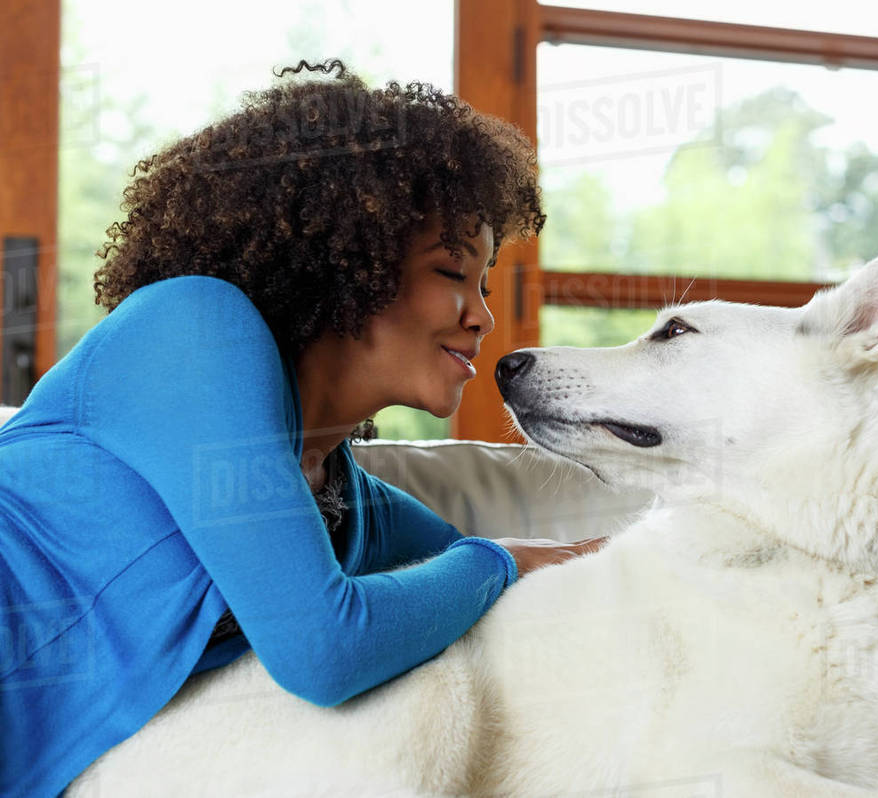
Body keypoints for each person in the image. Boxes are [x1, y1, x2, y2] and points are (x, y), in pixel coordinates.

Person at [0, 58, 606, 797]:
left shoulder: (351, 511)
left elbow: (519, 587)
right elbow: (326, 648)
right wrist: (499, 560)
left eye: (483, 285)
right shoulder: (194, 327)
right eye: (453, 272)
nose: (481, 316)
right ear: (349, 262)